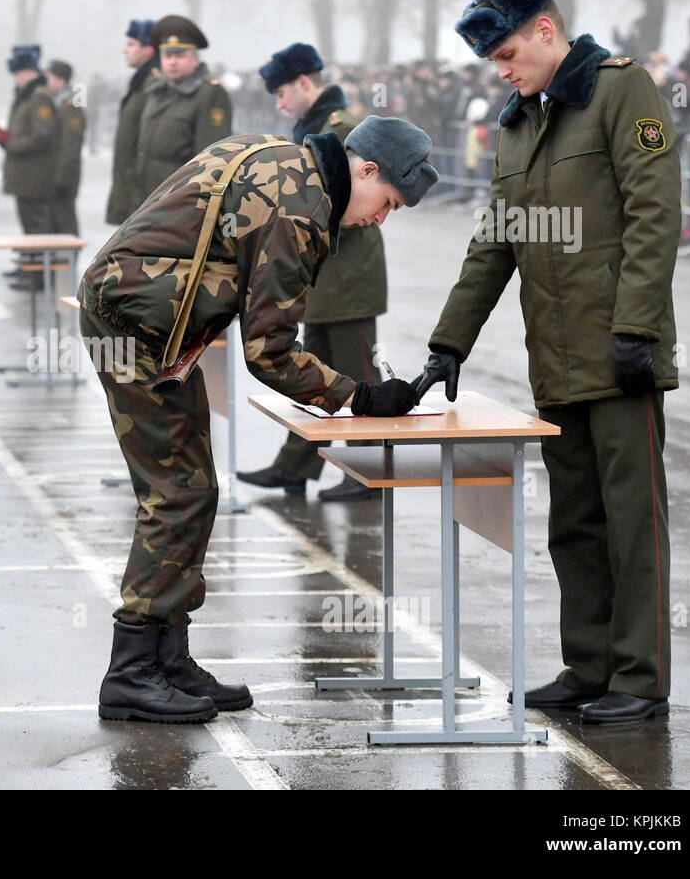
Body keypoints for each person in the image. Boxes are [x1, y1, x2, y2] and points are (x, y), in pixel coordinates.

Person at [80, 118, 437, 722]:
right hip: (133, 331)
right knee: (175, 495)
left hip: (152, 327)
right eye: (389, 203)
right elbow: (268, 352)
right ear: (366, 170)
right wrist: (360, 397)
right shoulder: (300, 207)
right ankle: (132, 671)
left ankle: (167, 656)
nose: (381, 218)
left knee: (194, 491)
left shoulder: (284, 157)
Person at [412, 0, 680, 725]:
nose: (502, 71)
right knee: (575, 523)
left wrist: (637, 327)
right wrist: (449, 343)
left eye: (507, 55)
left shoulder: (622, 91)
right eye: (493, 62)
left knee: (635, 523)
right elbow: (496, 238)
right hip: (556, 358)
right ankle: (588, 665)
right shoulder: (519, 121)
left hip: (620, 354)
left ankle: (641, 676)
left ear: (545, 29)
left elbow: (654, 213)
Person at [238, 42, 389, 501]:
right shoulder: (314, 128)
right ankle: (296, 465)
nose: (279, 103)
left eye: (283, 92)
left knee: (359, 372)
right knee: (314, 374)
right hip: (322, 275)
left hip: (347, 276)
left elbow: (356, 209)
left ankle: (370, 470)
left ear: (305, 82)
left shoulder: (342, 128)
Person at [134, 15, 232, 200]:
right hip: (147, 198)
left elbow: (213, 161)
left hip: (180, 201)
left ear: (195, 59)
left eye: (180, 55)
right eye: (167, 55)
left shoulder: (209, 94)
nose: (172, 62)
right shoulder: (156, 92)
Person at [0, 44, 58, 291]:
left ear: (28, 72)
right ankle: (29, 268)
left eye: (18, 73)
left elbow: (44, 135)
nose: (16, 78)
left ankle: (39, 278)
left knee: (38, 227)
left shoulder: (39, 97)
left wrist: (12, 143)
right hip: (24, 175)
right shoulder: (27, 95)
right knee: (29, 226)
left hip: (34, 175)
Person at [105, 19, 158, 225]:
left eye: (131, 44)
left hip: (141, 187)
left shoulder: (152, 83)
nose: (125, 50)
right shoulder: (141, 81)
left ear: (148, 49)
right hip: (131, 183)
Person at [45, 58, 84, 235]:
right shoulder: (57, 102)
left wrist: (62, 179)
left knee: (65, 223)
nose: (47, 81)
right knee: (55, 222)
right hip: (55, 174)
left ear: (61, 80)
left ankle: (70, 261)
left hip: (64, 176)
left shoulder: (71, 106)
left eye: (50, 77)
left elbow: (71, 145)